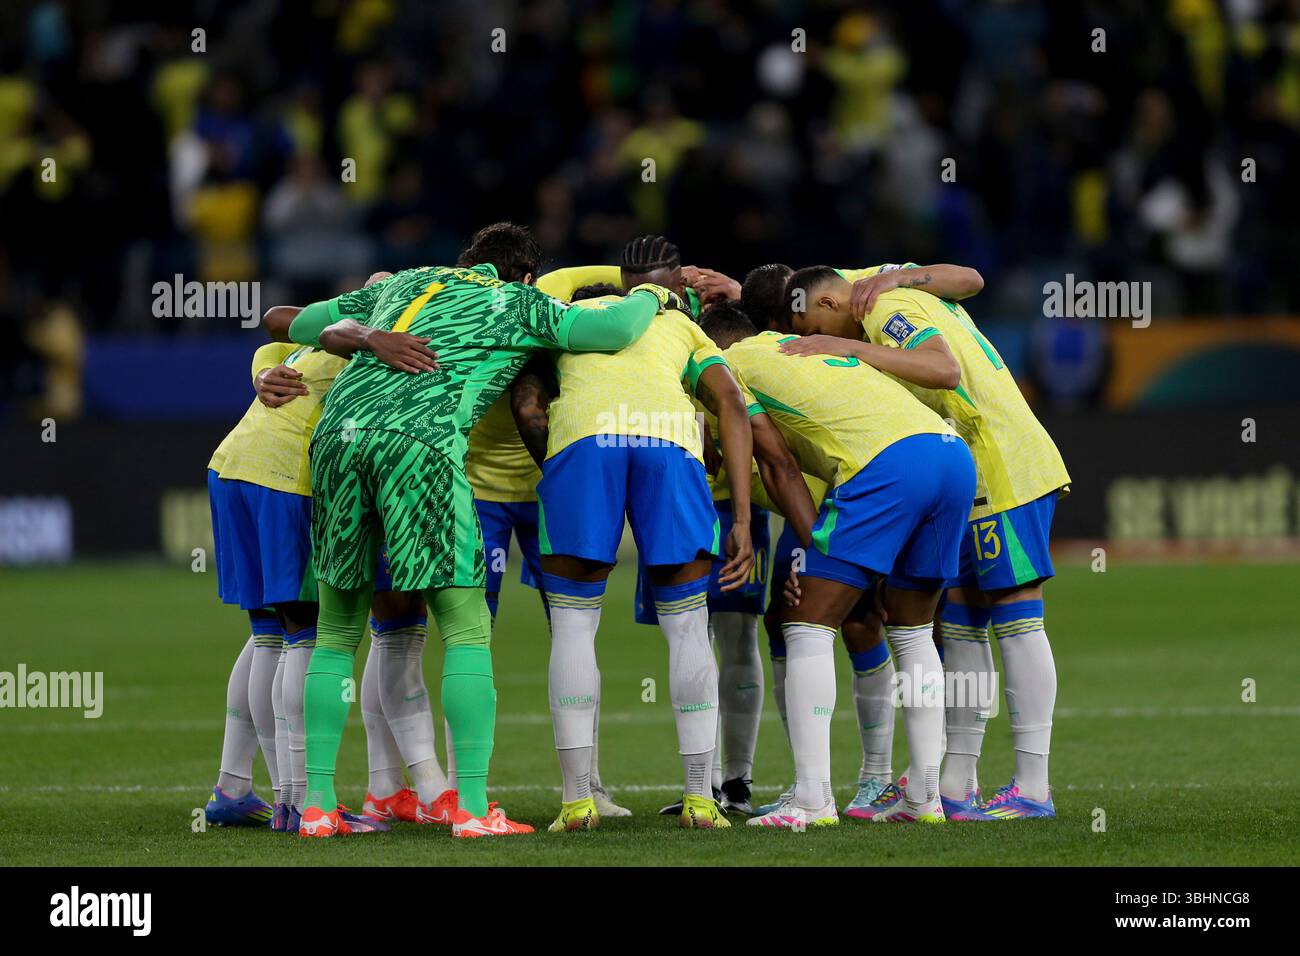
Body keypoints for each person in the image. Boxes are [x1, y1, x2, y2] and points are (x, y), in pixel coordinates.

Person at [282, 222, 674, 838]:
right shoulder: (519, 301)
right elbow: (614, 329)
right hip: (421, 443)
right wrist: (659, 295)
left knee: (335, 632)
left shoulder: (407, 281)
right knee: (466, 629)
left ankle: (317, 808)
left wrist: (368, 336)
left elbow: (301, 325)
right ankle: (470, 808)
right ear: (523, 274)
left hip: (335, 439)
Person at [782, 264, 1069, 820]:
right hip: (966, 471)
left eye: (811, 326)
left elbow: (944, 368)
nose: (815, 341)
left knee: (1017, 617)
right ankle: (957, 783)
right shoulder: (882, 286)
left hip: (1002, 461)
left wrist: (852, 352)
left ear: (829, 304)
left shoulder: (882, 308)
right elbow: (968, 279)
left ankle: (1034, 787)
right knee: (961, 625)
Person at [698, 306, 976, 827]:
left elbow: (777, 463)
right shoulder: (800, 351)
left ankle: (811, 797)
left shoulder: (723, 365)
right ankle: (924, 796)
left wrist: (817, 554)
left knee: (807, 625)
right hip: (950, 455)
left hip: (887, 464)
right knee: (914, 634)